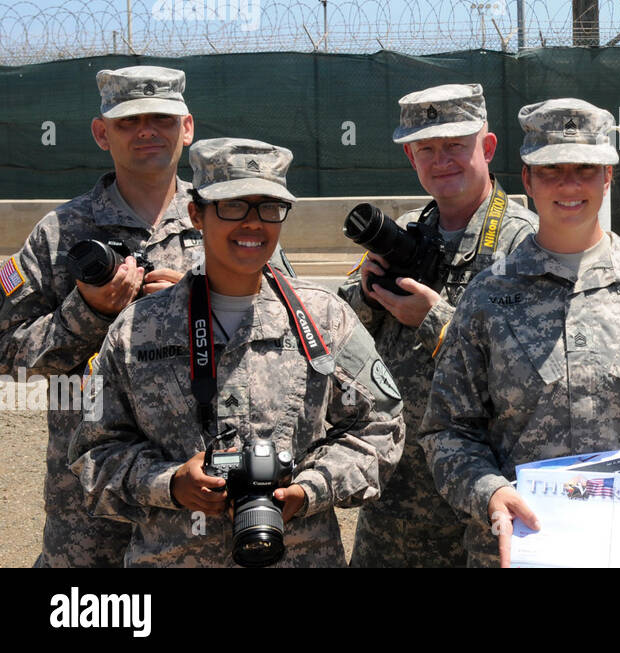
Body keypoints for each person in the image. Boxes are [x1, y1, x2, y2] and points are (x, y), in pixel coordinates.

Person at [422, 98, 620, 568]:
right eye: (551, 170)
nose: (569, 184)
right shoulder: (489, 295)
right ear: (527, 179)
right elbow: (447, 428)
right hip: (520, 551)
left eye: (585, 169)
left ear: (608, 176)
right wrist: (489, 492)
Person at [69, 139, 404, 567]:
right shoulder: (136, 330)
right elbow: (93, 453)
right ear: (196, 214)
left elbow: (381, 427)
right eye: (232, 206)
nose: (253, 224)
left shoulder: (325, 318)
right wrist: (170, 484)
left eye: (268, 207)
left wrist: (307, 491)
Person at [0, 66, 203, 567]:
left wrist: (206, 305)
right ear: (101, 134)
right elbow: (9, 357)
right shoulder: (59, 233)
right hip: (89, 495)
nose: (147, 131)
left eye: (161, 118)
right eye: (128, 122)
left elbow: (290, 331)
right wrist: (88, 312)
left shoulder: (226, 218)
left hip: (195, 481)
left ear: (188, 128)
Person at [341, 83, 537, 568]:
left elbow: (536, 365)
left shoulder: (524, 241)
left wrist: (436, 322)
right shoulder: (407, 230)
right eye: (426, 148)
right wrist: (366, 292)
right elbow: (339, 329)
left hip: (484, 496)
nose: (441, 159)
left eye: (455, 145)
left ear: (487, 148)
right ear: (411, 158)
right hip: (397, 495)